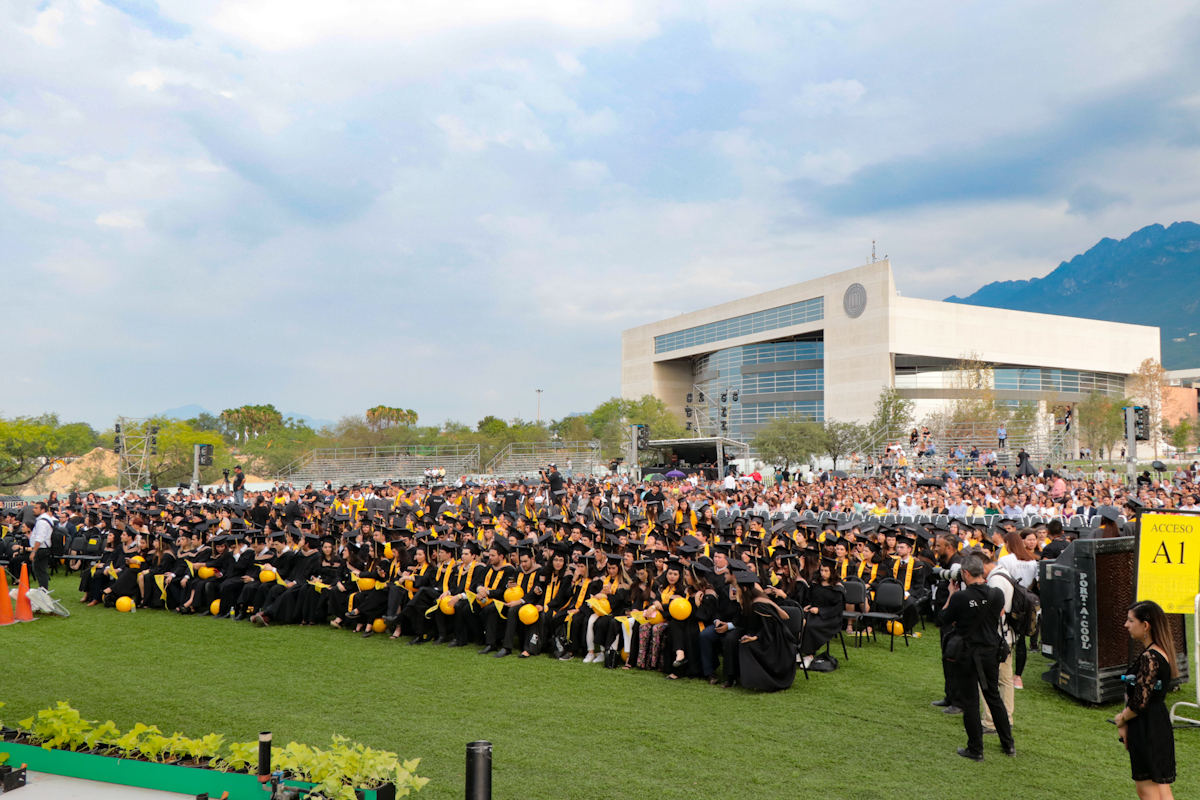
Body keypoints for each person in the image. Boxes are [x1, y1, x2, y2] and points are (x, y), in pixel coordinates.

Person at [939, 553, 1015, 761]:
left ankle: (975, 749)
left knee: (971, 702)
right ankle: (1008, 745)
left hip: (967, 654)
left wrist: (951, 594)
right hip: (990, 652)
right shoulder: (996, 593)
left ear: (965, 573)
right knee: (994, 697)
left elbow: (944, 619)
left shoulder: (960, 597)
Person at [1113, 601, 1177, 799]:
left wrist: (1122, 718)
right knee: (1161, 787)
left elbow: (1140, 701)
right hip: (1156, 724)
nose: (1126, 625)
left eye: (1131, 620)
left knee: (1148, 790)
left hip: (1147, 726)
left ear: (1145, 625)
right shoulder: (1160, 652)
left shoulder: (1150, 657)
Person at [28, 501, 55, 590]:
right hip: (42, 548)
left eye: (36, 508)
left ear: (43, 510)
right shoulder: (44, 519)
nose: (33, 509)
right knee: (40, 570)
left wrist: (33, 551)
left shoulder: (42, 522)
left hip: (41, 549)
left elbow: (40, 538)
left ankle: (43, 590)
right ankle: (43, 589)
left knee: (40, 571)